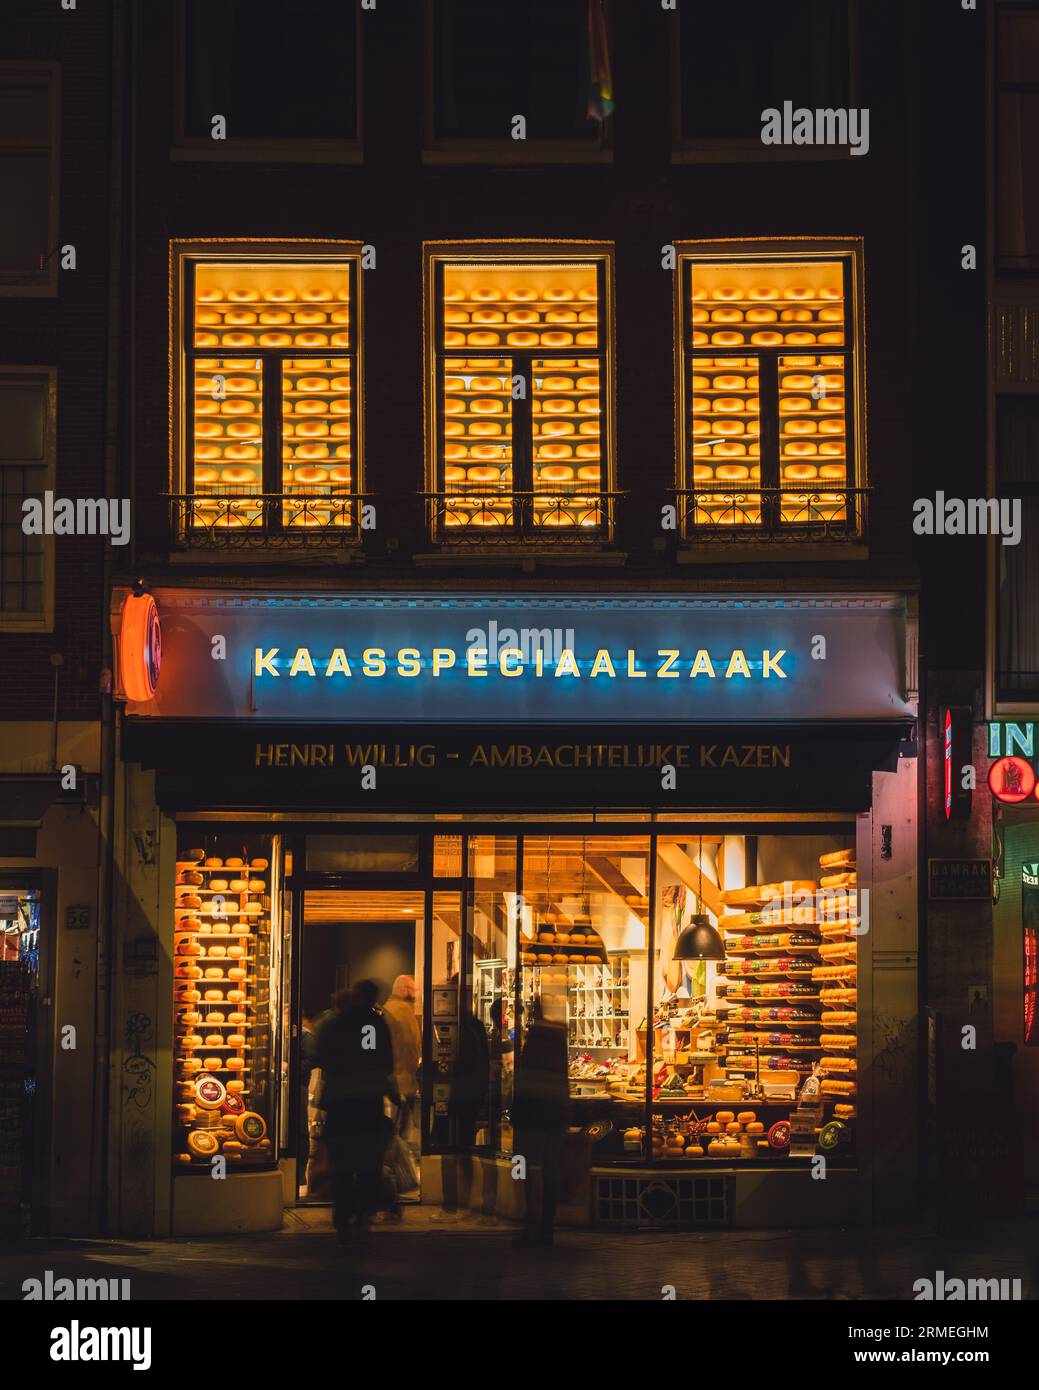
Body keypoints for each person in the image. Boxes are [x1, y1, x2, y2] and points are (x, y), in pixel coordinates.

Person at [315, 980, 400, 1247]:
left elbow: (322, 1057)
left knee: (341, 1165)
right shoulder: (376, 1024)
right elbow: (386, 1063)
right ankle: (363, 1216)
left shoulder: (334, 1025)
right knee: (368, 1166)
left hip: (340, 1104)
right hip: (368, 1104)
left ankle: (342, 1219)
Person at [512, 990, 569, 1247]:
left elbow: (525, 1079)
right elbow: (561, 1079)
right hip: (555, 1113)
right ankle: (548, 1224)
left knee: (530, 1169)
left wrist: (516, 1111)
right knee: (551, 1168)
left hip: (533, 1113)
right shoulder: (558, 1037)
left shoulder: (534, 1038)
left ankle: (530, 1222)